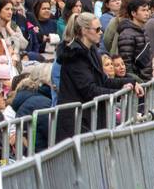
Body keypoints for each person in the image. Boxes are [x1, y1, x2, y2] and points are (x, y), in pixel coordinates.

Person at [54, 12, 141, 144]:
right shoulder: (75, 56)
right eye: (97, 29)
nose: (101, 32)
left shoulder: (92, 51)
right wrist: (119, 93)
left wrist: (131, 82)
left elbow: (103, 81)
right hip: (77, 122)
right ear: (84, 30)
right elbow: (89, 89)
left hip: (90, 118)